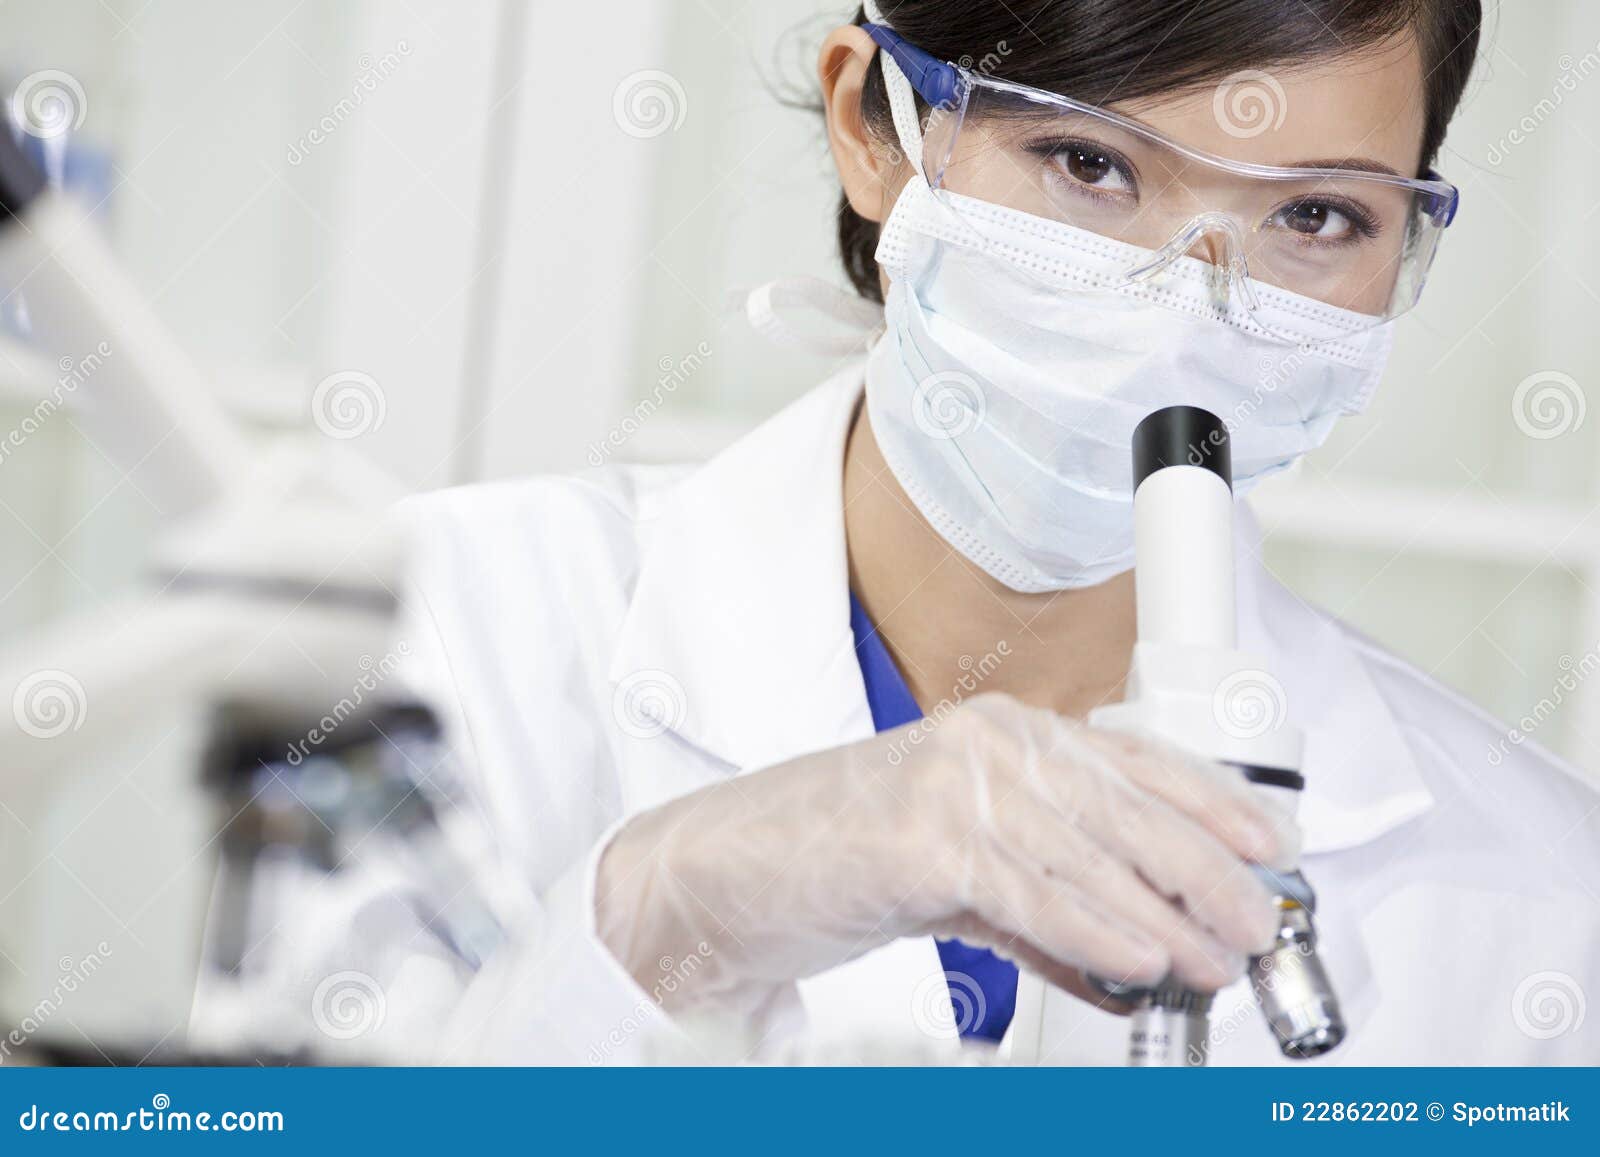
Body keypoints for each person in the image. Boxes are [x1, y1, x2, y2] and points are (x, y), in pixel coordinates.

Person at [385, 0, 1600, 1063]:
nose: (1186, 316)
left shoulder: (1543, 892)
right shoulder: (442, 631)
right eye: (1088, 161)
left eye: (1321, 217)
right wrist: (670, 903)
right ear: (873, 125)